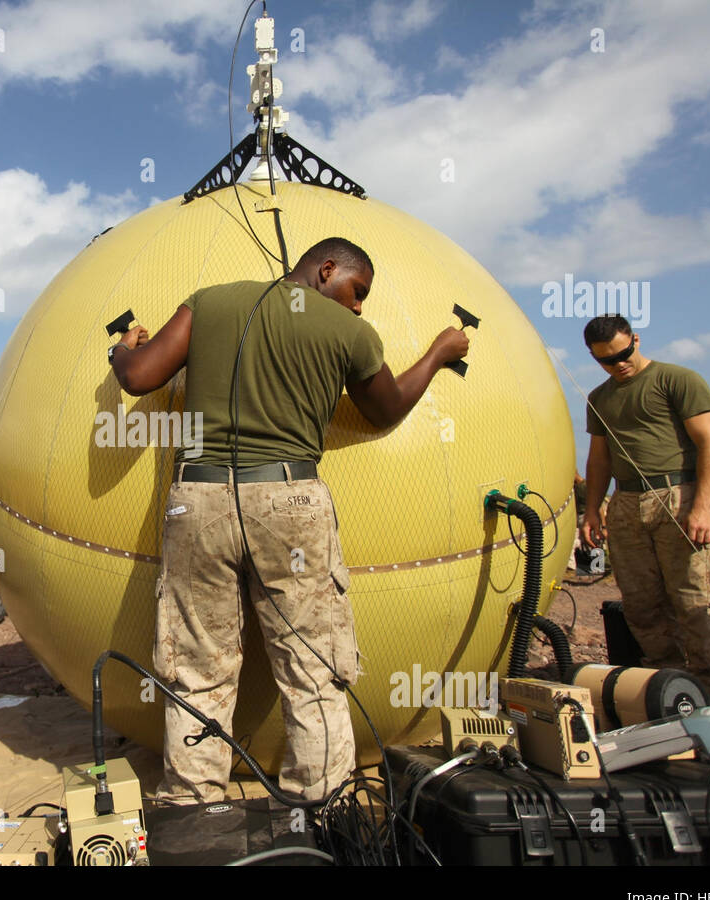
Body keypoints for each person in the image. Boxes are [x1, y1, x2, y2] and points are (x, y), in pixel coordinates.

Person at [110, 237, 470, 803]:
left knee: (196, 671)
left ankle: (193, 809)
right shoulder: (350, 333)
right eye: (358, 291)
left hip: (196, 499)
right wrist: (439, 353)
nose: (358, 307)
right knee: (313, 668)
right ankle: (320, 812)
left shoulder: (210, 302)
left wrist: (123, 351)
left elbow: (139, 376)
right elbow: (386, 410)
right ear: (327, 269)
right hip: (289, 501)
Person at [579, 314, 710, 698]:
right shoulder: (599, 399)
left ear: (635, 340)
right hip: (627, 503)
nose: (618, 363)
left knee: (695, 601)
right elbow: (599, 459)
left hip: (679, 498)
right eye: (606, 360)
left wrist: (702, 507)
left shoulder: (679, 380)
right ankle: (670, 690)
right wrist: (592, 509)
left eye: (624, 353)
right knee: (641, 605)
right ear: (594, 357)